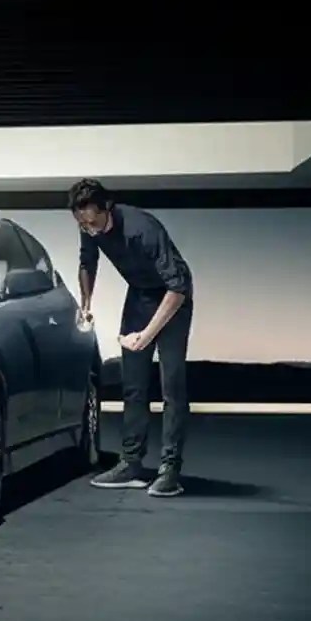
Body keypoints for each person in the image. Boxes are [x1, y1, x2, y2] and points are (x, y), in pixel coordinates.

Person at [69, 178, 194, 497]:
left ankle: (170, 469)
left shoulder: (143, 229)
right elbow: (88, 262)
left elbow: (177, 287)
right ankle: (132, 464)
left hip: (173, 300)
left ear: (107, 208)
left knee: (172, 385)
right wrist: (85, 304)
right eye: (82, 223)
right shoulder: (87, 226)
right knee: (134, 384)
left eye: (93, 221)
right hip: (139, 296)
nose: (90, 229)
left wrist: (146, 335)